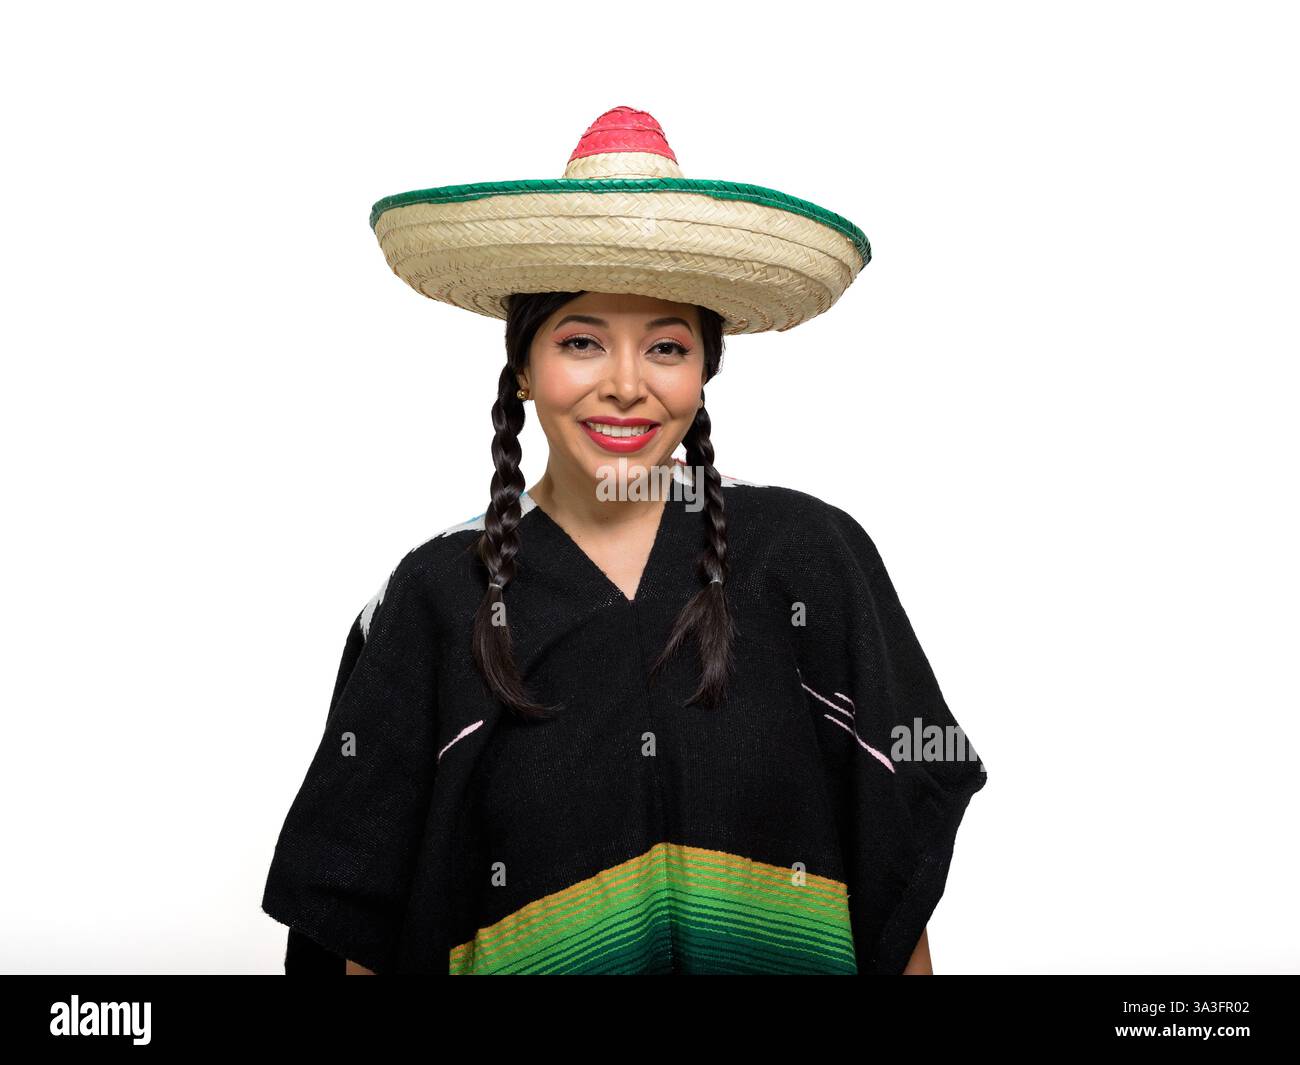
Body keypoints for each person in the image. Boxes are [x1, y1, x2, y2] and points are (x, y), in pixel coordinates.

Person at [261, 106, 989, 975]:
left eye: (668, 346)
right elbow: (359, 921)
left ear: (705, 369)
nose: (626, 385)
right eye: (580, 341)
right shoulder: (434, 599)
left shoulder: (810, 559)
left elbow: (894, 864)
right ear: (523, 369)